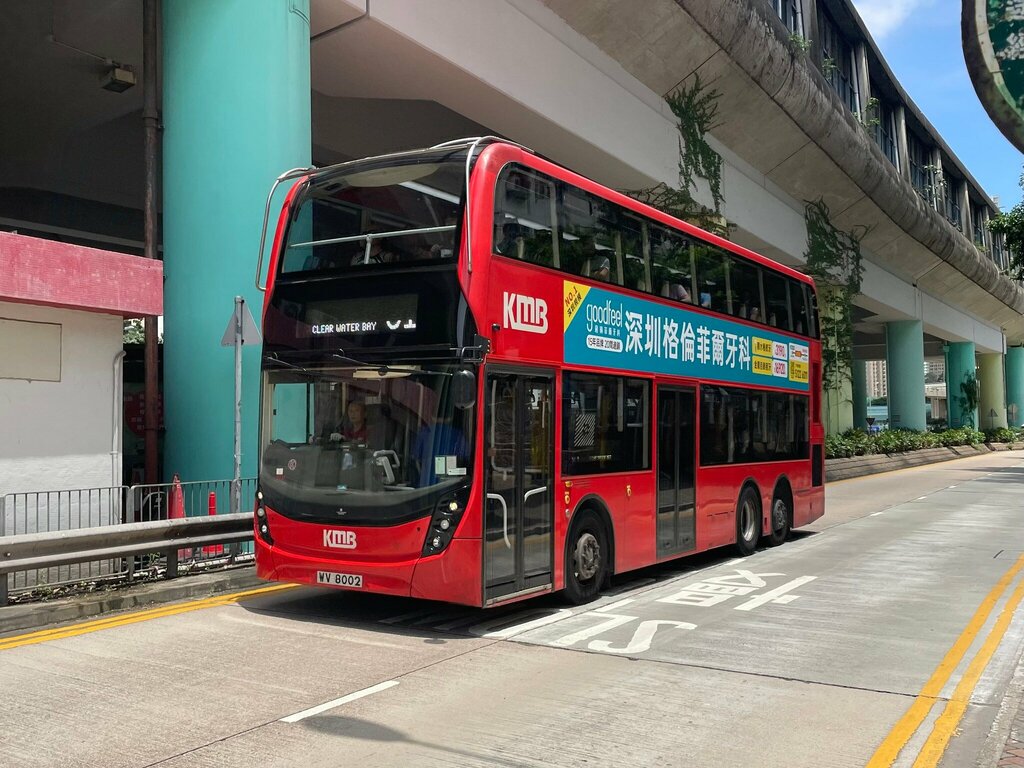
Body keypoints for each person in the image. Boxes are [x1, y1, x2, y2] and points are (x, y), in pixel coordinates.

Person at [412, 414, 467, 487]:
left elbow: (416, 459)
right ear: (450, 418)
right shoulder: (457, 434)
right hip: (450, 485)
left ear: (432, 417)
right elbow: (463, 460)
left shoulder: (424, 433)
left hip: (426, 486)